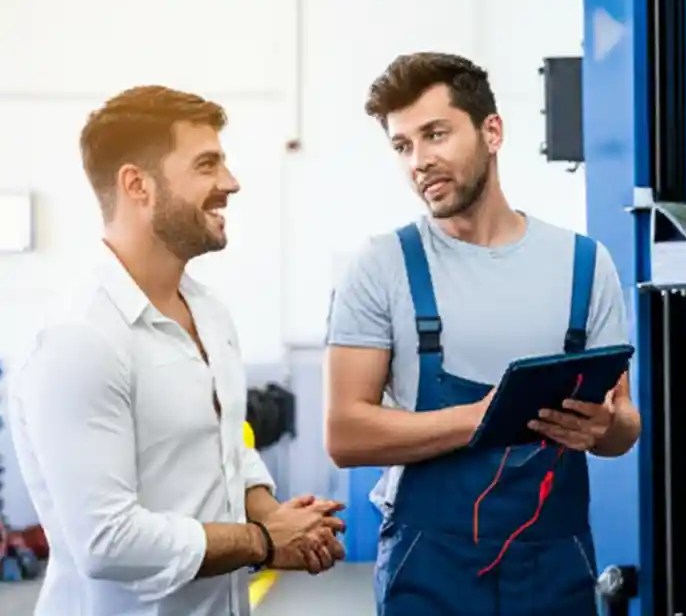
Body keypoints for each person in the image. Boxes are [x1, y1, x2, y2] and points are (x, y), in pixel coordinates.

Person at [5, 86, 348, 616]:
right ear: (137, 185)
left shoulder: (209, 314)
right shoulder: (79, 338)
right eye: (207, 164)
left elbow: (226, 443)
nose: (230, 183)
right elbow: (108, 542)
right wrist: (262, 540)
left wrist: (273, 513)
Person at [324, 52, 641, 614]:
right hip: (428, 569)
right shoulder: (382, 266)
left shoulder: (584, 265)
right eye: (403, 146)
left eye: (435, 134)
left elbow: (623, 429)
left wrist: (605, 426)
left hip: (557, 565)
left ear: (492, 131)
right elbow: (346, 434)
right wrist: (489, 415)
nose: (419, 161)